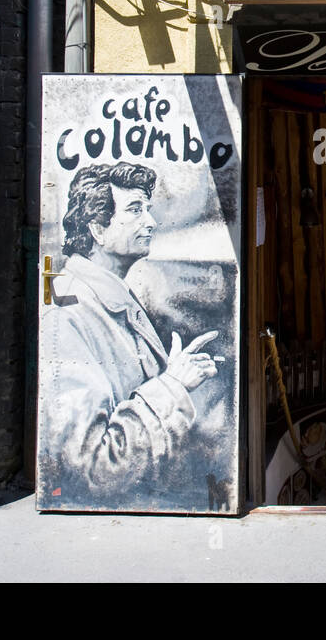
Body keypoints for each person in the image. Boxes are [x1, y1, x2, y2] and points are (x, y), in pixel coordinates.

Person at [37, 161, 220, 507]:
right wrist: (173, 385)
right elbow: (93, 468)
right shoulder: (70, 314)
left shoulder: (111, 296)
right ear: (98, 229)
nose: (150, 222)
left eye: (147, 209)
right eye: (135, 210)